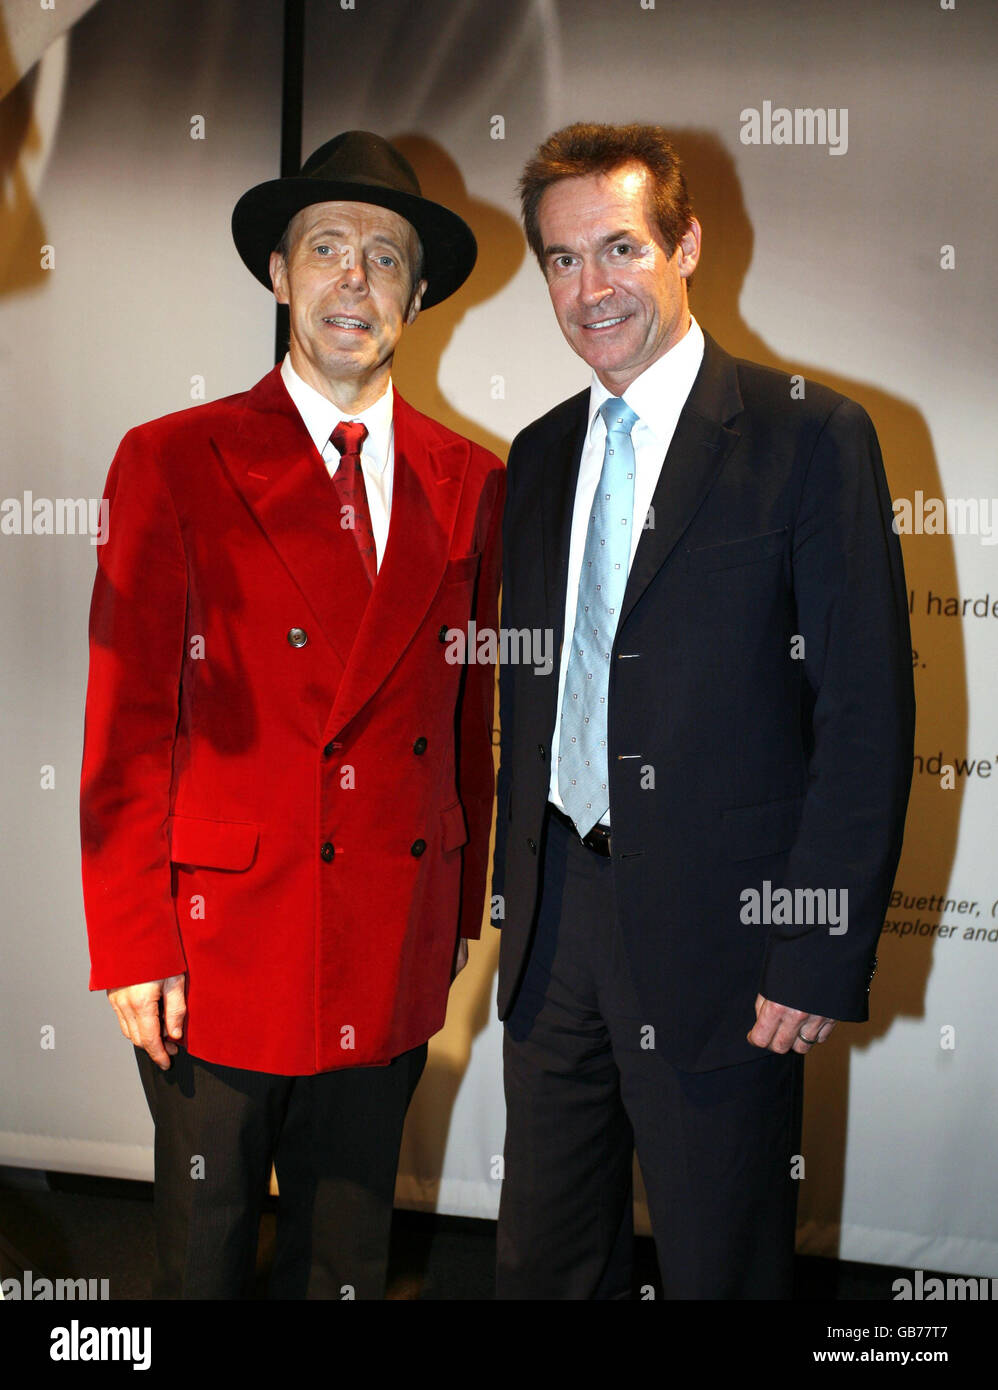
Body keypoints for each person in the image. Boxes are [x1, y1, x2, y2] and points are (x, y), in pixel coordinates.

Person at [491, 122, 914, 1299]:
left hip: (732, 944)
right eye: (562, 260)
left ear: (684, 242)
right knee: (541, 1258)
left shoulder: (807, 435)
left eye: (619, 246)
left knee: (720, 1263)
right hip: (555, 926)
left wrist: (815, 947)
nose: (591, 287)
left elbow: (864, 716)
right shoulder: (533, 458)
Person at [80, 130, 504, 1299]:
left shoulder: (472, 482)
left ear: (417, 295)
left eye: (383, 256)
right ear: (279, 275)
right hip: (216, 944)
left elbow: (465, 720)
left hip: (389, 927)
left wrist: (452, 910)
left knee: (348, 1256)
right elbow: (120, 728)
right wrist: (132, 943)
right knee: (203, 1252)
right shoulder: (174, 459)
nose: (352, 280)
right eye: (326, 249)